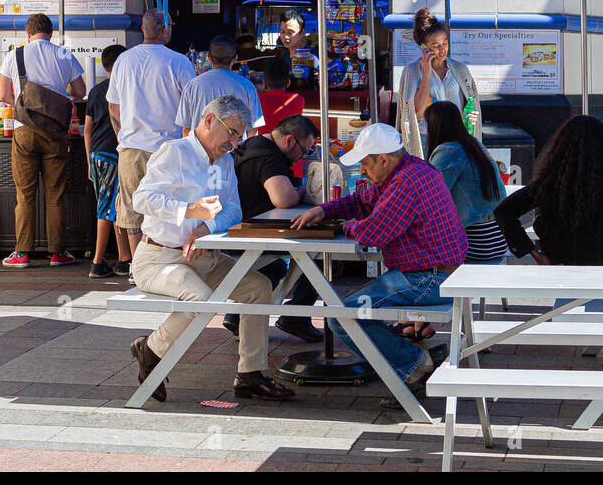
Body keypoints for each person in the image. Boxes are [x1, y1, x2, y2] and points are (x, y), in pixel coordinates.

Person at [129, 95, 294, 402]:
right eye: (231, 132)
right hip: (158, 258)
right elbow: (141, 200)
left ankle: (250, 374)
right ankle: (151, 348)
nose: (234, 141)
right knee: (201, 299)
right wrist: (188, 210)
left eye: (240, 135)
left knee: (258, 287)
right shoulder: (173, 152)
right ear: (208, 121)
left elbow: (233, 210)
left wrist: (205, 228)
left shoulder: (226, 161)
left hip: (204, 257)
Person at [292, 123, 467, 399]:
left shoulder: (405, 183)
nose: (362, 170)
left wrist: (341, 226)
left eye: (364, 163)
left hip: (427, 279)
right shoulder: (408, 170)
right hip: (433, 274)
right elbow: (362, 201)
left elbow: (373, 232)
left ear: (383, 159)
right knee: (353, 311)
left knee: (343, 316)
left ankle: (413, 366)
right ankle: (406, 358)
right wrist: (323, 210)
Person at [493, 110, 603, 369]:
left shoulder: (549, 183)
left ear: (561, 148)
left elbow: (504, 211)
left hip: (564, 270)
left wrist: (534, 255)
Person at [0, 12, 86, 269]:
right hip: (56, 131)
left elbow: (2, 94)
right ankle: (58, 253)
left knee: (25, 194)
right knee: (55, 196)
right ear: (51, 33)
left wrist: (25, 106)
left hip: (24, 130)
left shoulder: (14, 55)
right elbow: (80, 92)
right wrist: (57, 95)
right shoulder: (63, 55)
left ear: (28, 34)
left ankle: (22, 253)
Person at [227, 114, 323, 342]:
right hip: (249, 236)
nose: (304, 156)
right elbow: (283, 198)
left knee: (276, 267)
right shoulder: (270, 157)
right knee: (321, 253)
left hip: (240, 230)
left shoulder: (253, 144)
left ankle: (237, 315)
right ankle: (296, 317)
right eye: (305, 150)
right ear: (290, 140)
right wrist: (304, 190)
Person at [107, 11, 196, 253]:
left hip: (131, 148)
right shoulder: (179, 62)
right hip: (169, 150)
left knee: (133, 211)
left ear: (142, 31)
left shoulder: (123, 61)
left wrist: (123, 135)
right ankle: (162, 261)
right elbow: (191, 105)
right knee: (168, 209)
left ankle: (138, 267)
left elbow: (113, 106)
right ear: (164, 30)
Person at [425, 101, 507, 264]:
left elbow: (430, 198)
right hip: (498, 237)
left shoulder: (448, 152)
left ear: (435, 126)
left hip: (476, 242)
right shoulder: (474, 144)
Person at [395, 7, 482, 159]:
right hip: (425, 139)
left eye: (445, 43)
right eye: (436, 45)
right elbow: (419, 111)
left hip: (456, 138)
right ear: (424, 46)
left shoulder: (460, 70)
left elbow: (469, 104)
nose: (443, 49)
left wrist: (470, 115)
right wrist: (427, 72)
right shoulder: (412, 72)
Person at [83, 43, 129, 279]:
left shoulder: (95, 90)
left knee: (113, 206)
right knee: (108, 208)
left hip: (98, 155)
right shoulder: (125, 89)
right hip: (117, 154)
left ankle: (124, 259)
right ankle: (97, 262)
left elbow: (87, 129)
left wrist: (90, 159)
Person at [175, 34, 265, 135]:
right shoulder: (247, 86)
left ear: (209, 57)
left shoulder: (192, 86)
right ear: (235, 59)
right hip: (236, 149)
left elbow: (186, 129)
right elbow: (253, 129)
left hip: (199, 150)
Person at [258, 54, 305, 134]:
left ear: (265, 83)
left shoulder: (257, 98)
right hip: (287, 145)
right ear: (288, 83)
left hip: (259, 144)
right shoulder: (297, 99)